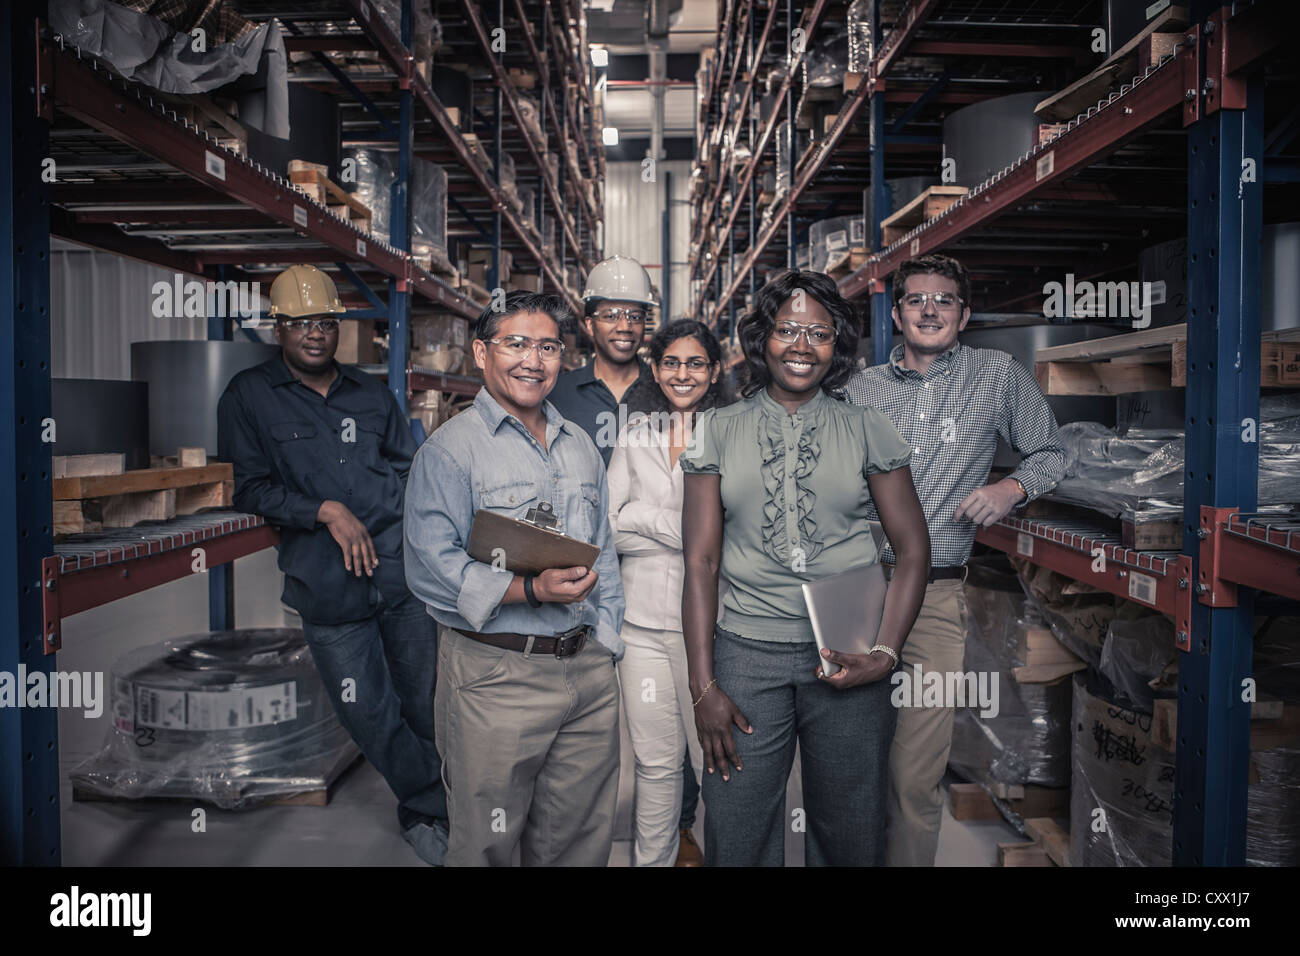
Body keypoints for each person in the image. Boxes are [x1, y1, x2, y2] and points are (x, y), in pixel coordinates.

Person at [680, 270, 931, 867]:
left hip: (848, 652)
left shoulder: (867, 427)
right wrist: (703, 687)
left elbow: (913, 549)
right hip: (745, 655)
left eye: (818, 333)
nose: (800, 345)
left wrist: (885, 654)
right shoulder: (717, 428)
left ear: (837, 344)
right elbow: (700, 561)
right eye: (786, 329)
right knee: (738, 829)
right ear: (762, 339)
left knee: (849, 830)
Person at [217, 264, 448, 865]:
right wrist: (323, 510)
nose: (316, 334)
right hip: (326, 584)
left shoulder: (371, 394)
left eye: (326, 322)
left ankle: (429, 812)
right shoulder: (249, 397)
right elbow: (249, 490)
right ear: (279, 328)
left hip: (399, 575)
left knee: (424, 701)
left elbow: (408, 467)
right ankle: (436, 798)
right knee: (366, 708)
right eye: (301, 324)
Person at [845, 253, 1066, 867]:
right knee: (849, 765)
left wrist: (1009, 489)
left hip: (936, 601)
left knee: (916, 774)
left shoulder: (997, 375)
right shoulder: (862, 388)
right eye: (917, 299)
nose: (930, 310)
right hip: (856, 593)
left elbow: (1052, 452)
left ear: (964, 314)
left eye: (944, 301)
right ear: (898, 314)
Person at [403, 291, 626, 867]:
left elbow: (606, 553)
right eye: (517, 344)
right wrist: (528, 591)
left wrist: (606, 643)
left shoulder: (580, 447)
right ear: (481, 353)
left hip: (585, 669)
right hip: (494, 676)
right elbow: (430, 568)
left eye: (548, 346)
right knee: (486, 843)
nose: (534, 360)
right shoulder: (450, 452)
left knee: (578, 840)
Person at [549, 254, 705, 866]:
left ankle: (679, 830)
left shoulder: (666, 386)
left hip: (654, 593)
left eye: (634, 314)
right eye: (609, 312)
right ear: (588, 321)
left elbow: (711, 526)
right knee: (587, 729)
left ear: (648, 324)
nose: (622, 323)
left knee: (674, 726)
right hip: (573, 581)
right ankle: (578, 839)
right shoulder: (557, 388)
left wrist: (646, 525)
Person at [607, 320, 729, 866]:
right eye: (672, 363)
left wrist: (644, 521)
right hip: (642, 627)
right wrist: (681, 525)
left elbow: (739, 527)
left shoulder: (734, 432)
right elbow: (607, 524)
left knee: (722, 763)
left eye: (696, 362)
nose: (683, 373)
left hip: (715, 627)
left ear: (716, 371)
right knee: (656, 767)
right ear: (654, 370)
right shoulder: (634, 434)